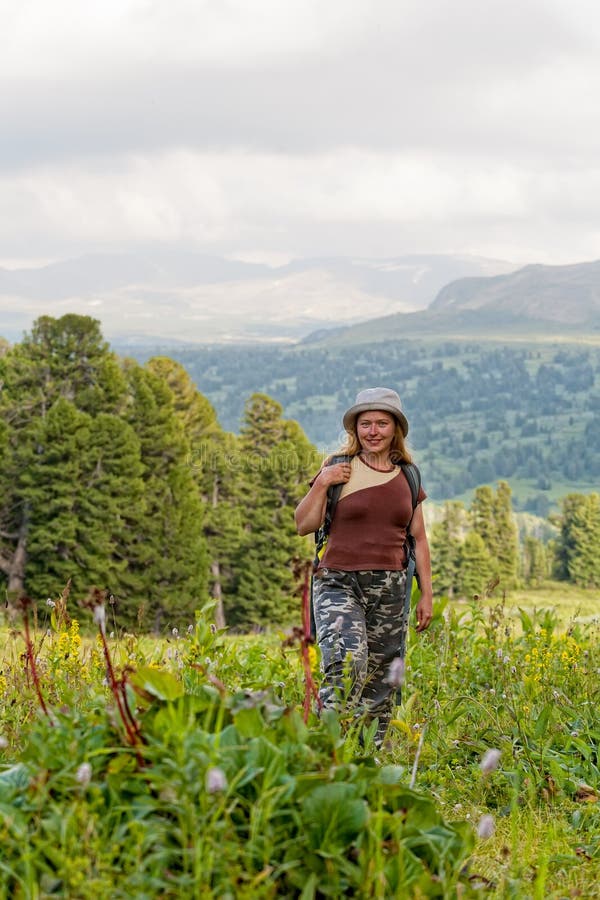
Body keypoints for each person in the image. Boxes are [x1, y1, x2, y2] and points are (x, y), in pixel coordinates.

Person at [295, 387, 433, 744]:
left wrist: (426, 594)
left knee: (381, 680)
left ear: (395, 429)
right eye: (365, 423)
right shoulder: (337, 467)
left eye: (381, 423)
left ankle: (368, 757)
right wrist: (321, 484)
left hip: (392, 589)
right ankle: (327, 749)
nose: (373, 431)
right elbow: (303, 525)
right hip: (338, 582)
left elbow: (418, 538)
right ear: (355, 429)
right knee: (347, 664)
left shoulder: (409, 475)